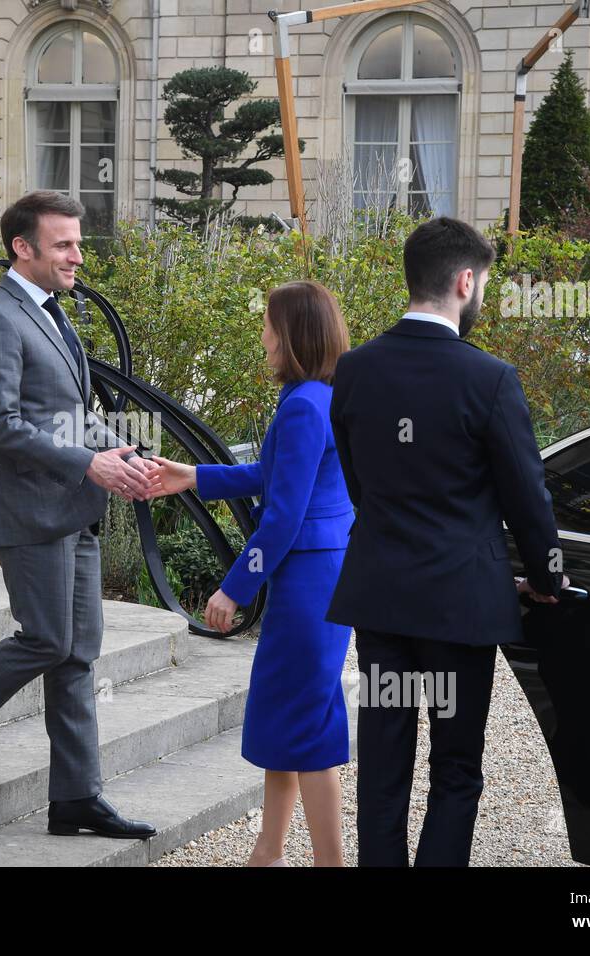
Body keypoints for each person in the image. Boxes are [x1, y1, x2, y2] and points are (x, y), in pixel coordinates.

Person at [0, 191, 162, 839]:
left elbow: (71, 414)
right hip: (30, 507)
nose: (78, 255)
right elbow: (5, 426)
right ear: (24, 247)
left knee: (76, 654)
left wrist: (123, 455)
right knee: (47, 639)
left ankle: (77, 797)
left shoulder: (52, 313)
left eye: (79, 242)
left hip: (74, 507)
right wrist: (88, 464)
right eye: (65, 244)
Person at [325, 216, 568, 867]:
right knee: (455, 768)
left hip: (380, 601)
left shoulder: (354, 371)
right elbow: (528, 500)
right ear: (466, 281)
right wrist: (547, 580)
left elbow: (360, 483)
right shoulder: (489, 379)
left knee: (382, 765)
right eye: (483, 283)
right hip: (459, 609)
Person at [150, 281, 354, 867]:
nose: (262, 335)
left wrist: (234, 588)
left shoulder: (303, 404)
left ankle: (328, 863)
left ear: (292, 334)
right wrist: (195, 475)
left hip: (307, 582)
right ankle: (268, 852)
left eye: (268, 324)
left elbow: (284, 518)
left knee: (308, 726)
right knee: (290, 717)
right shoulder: (318, 395)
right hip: (319, 573)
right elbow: (276, 474)